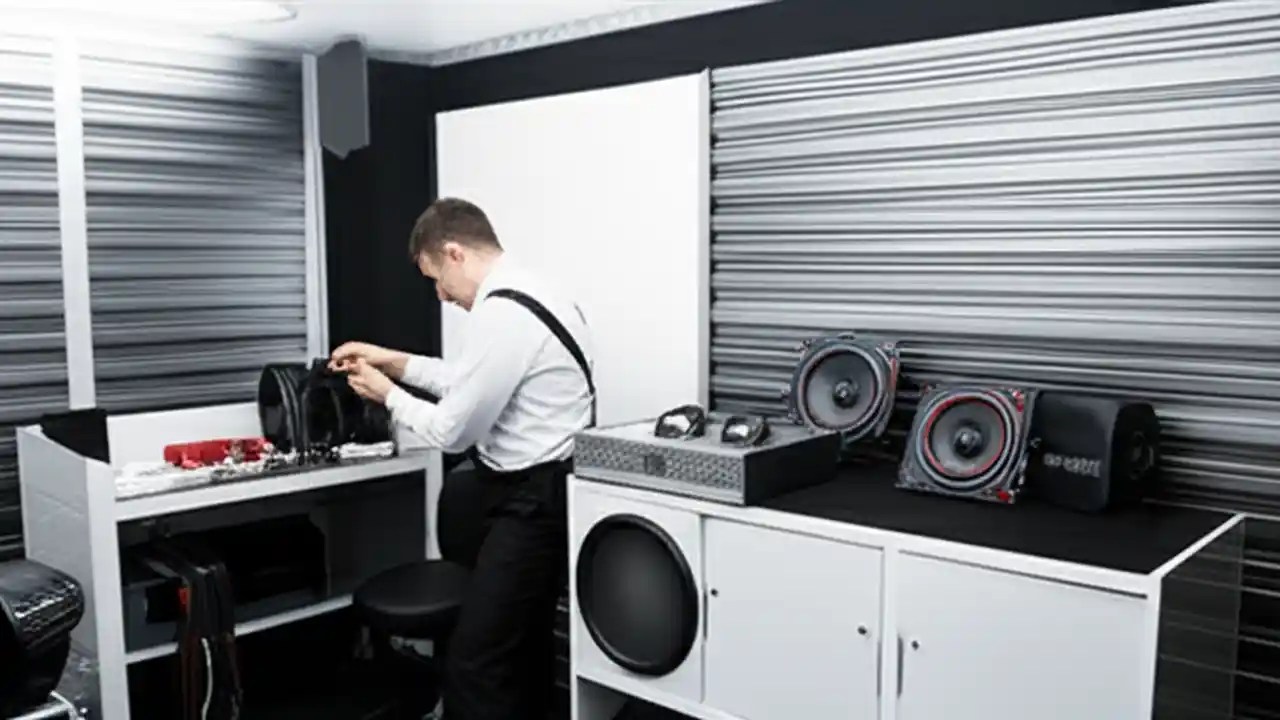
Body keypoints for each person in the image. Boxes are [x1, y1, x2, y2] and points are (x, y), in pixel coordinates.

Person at [329, 197, 595, 720]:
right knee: (524, 648)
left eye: (436, 280)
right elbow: (467, 381)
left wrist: (387, 394)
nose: (441, 296)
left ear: (454, 254)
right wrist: (394, 361)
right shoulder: (533, 292)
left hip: (533, 504)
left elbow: (452, 431)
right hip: (543, 490)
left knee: (478, 661)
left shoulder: (504, 313)